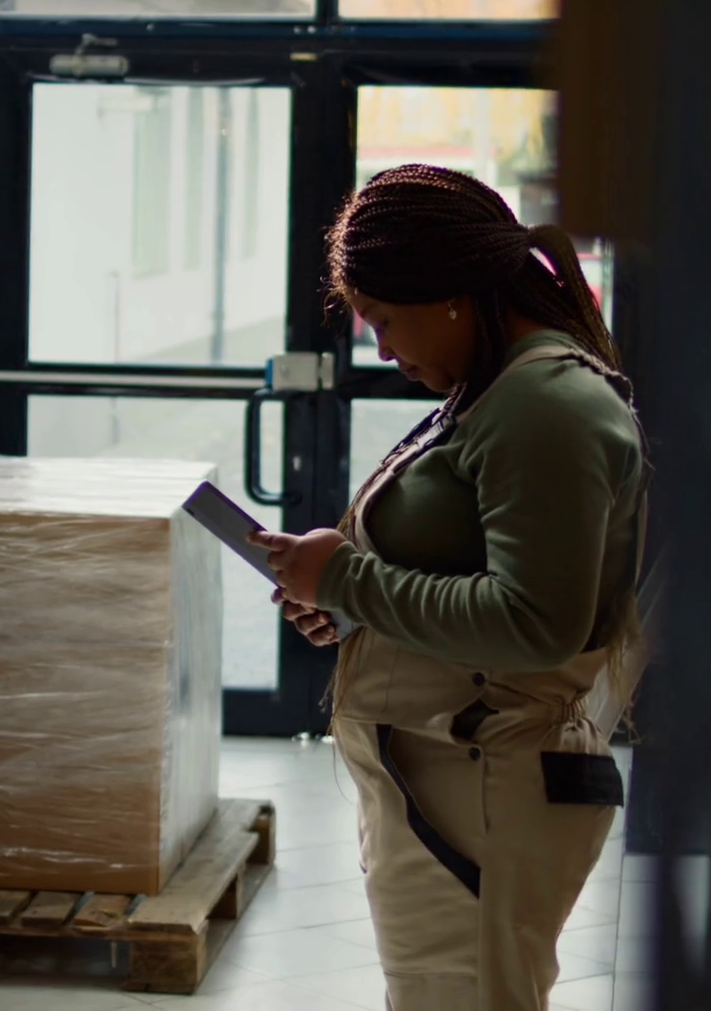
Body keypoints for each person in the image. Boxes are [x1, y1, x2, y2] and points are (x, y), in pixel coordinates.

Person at [252, 165, 651, 1011]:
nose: (384, 350)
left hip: (482, 784)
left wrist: (351, 579)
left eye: (385, 322)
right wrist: (347, 603)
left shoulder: (544, 404)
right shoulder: (499, 389)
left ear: (450, 296)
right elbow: (468, 571)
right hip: (450, 779)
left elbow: (536, 621)